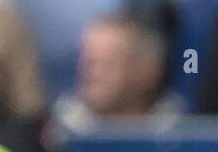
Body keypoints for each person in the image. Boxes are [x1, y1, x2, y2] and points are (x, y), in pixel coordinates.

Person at [52, 12, 183, 132]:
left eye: (107, 62)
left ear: (147, 70)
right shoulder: (56, 138)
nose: (93, 73)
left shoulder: (182, 133)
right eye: (89, 62)